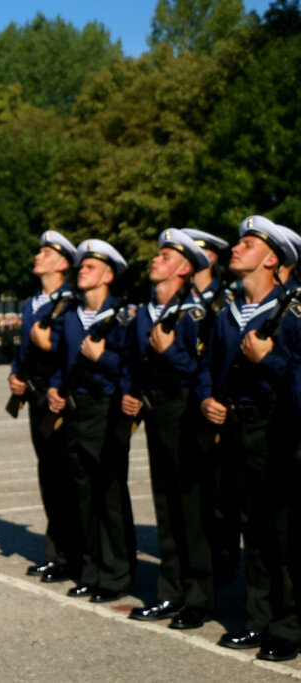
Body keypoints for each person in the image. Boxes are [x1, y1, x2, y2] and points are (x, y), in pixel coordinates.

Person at [197, 216, 299, 661]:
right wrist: (206, 400)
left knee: (282, 532)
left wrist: (271, 359)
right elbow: (207, 368)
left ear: (272, 258)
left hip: (277, 430)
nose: (236, 248)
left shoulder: (293, 312)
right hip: (235, 430)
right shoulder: (226, 311)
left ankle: (288, 626)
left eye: (247, 244)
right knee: (252, 530)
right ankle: (258, 620)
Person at [120, 230, 213, 628]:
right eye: (157, 254)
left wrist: (168, 351)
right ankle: (169, 591)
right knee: (166, 505)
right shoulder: (144, 314)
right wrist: (133, 396)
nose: (156, 260)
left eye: (165, 256)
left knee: (192, 509)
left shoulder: (197, 314)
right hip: (158, 414)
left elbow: (204, 372)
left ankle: (199, 597)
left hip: (187, 416)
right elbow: (131, 363)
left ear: (184, 268)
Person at [47, 239, 135, 604]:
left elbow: (132, 365)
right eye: (81, 266)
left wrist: (103, 359)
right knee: (82, 494)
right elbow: (61, 363)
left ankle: (116, 574)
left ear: (108, 275)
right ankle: (90, 569)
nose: (81, 270)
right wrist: (54, 389)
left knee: (109, 495)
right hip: (75, 410)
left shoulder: (124, 315)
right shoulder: (69, 317)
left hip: (108, 408)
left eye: (90, 267)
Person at [12, 230, 76, 583]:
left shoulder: (69, 301)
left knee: (64, 476)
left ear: (63, 263)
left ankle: (69, 555)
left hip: (58, 398)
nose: (39, 257)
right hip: (35, 397)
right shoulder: (31, 303)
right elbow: (22, 350)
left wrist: (48, 344)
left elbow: (69, 348)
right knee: (48, 476)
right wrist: (14, 376)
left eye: (47, 253)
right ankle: (54, 552)